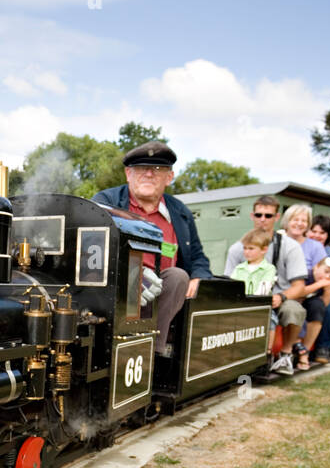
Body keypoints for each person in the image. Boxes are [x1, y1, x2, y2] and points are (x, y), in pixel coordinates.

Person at [93, 140, 213, 355]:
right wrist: (134, 275)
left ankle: (152, 353)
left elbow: (198, 257)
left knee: (178, 276)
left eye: (158, 169)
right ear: (128, 174)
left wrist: (199, 277)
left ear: (169, 177)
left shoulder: (181, 212)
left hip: (163, 294)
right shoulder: (105, 202)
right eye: (141, 169)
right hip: (117, 289)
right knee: (131, 276)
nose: (149, 174)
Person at [307, 215, 330, 362]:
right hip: (302, 285)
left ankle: (323, 346)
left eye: (322, 233)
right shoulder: (301, 246)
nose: (317, 236)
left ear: (328, 236)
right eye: (313, 231)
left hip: (322, 288)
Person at [229, 229, 276, 294]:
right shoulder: (239, 268)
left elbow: (262, 292)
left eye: (251, 248)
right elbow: (231, 288)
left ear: (264, 250)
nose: (247, 252)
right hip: (239, 302)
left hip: (260, 303)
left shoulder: (269, 269)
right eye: (245, 248)